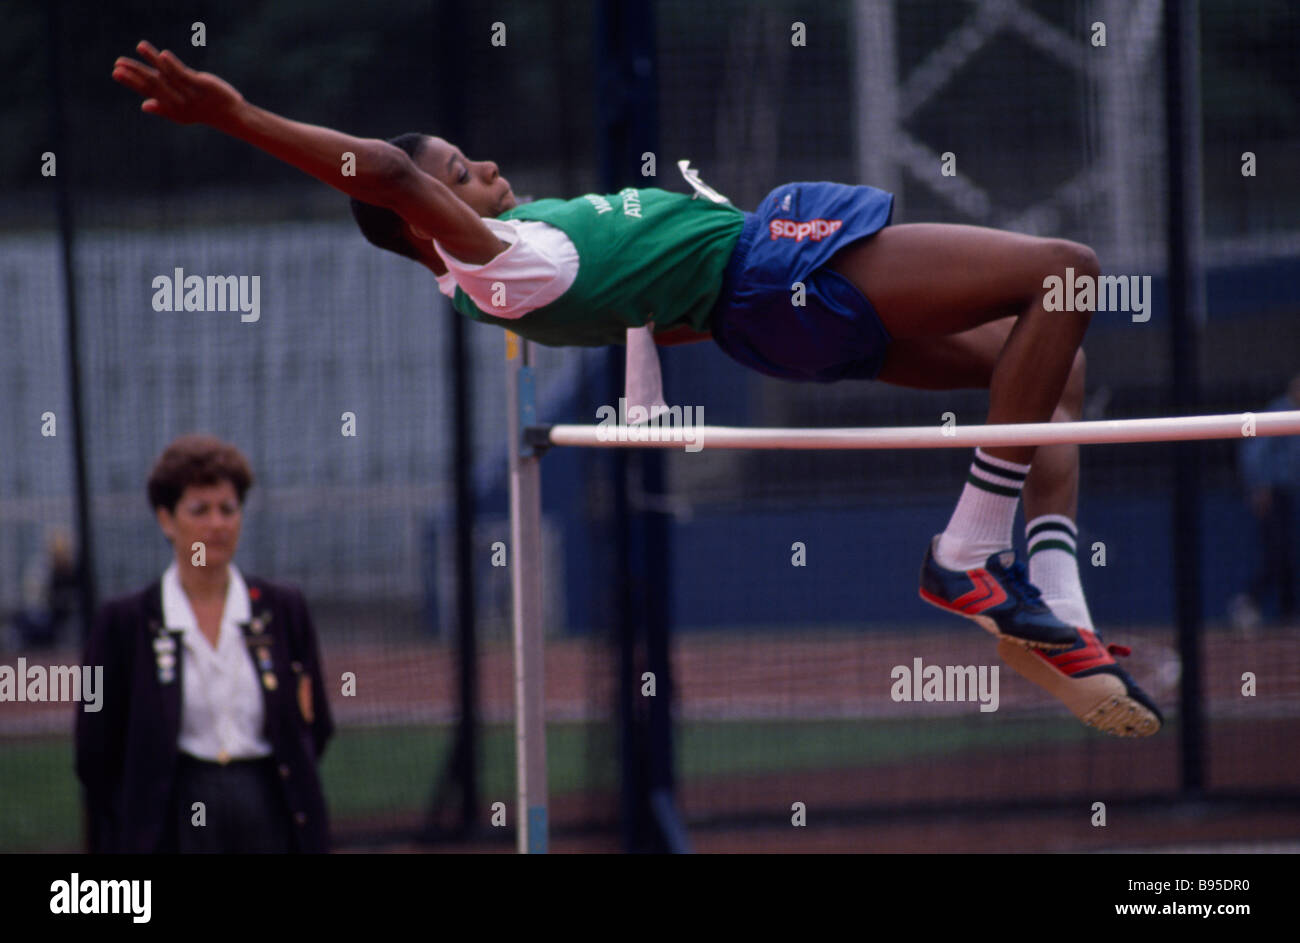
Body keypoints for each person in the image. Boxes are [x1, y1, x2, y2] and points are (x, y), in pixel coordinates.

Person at [110, 41, 1160, 737]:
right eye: (461, 172)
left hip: (766, 304)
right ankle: (967, 555)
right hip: (773, 274)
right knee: (1060, 267)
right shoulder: (496, 265)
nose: (483, 170)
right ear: (429, 219)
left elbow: (438, 198)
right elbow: (384, 174)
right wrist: (242, 117)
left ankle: (1055, 617)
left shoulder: (515, 244)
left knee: (1050, 369)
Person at [75, 435, 333, 853]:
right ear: (166, 520)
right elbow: (95, 751)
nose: (217, 524)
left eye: (228, 509)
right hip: (174, 819)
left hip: (269, 812)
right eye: (200, 510)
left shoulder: (284, 610)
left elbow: (315, 726)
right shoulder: (122, 623)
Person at [1230, 375, 1300, 632]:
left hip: (1290, 492)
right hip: (1273, 493)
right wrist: (1260, 487)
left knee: (1288, 552)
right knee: (1276, 551)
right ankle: (1248, 602)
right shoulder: (1280, 411)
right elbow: (1254, 453)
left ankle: (1289, 612)